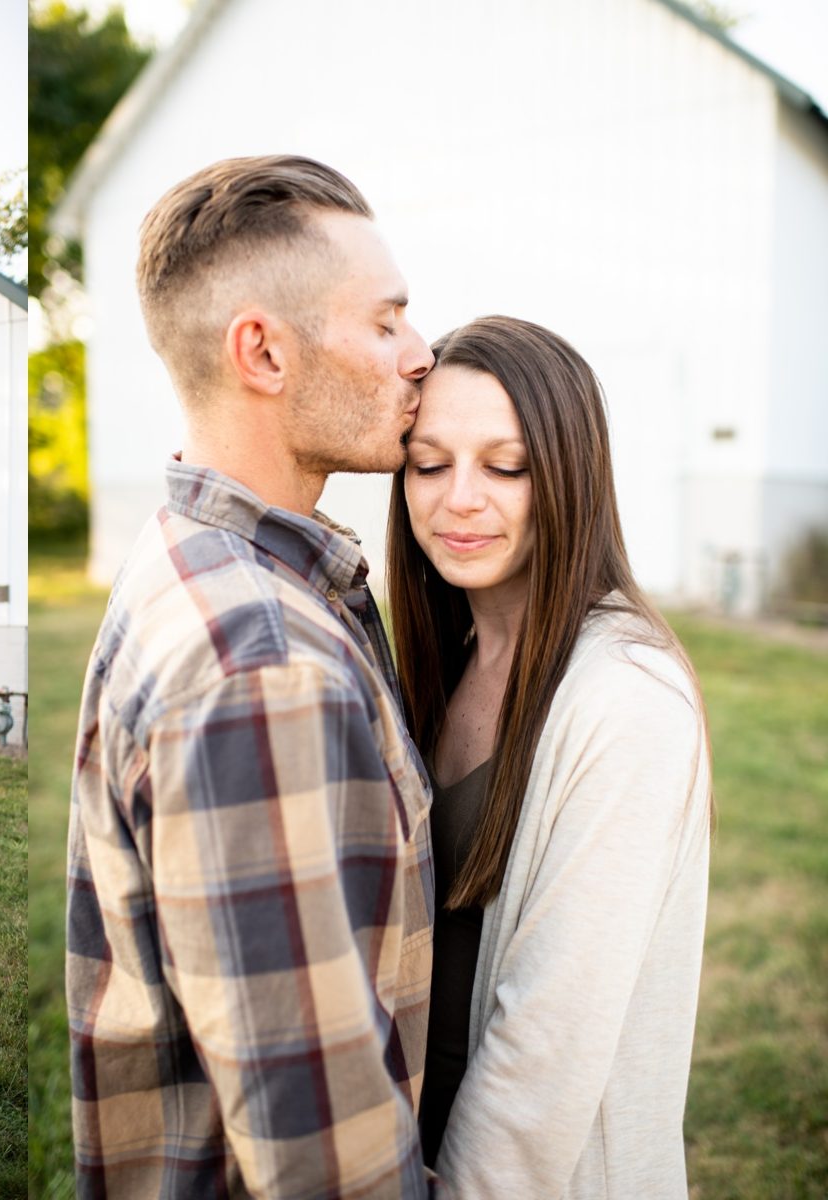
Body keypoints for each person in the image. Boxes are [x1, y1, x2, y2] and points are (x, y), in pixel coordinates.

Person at [66, 155, 439, 1198]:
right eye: (384, 322)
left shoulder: (194, 554)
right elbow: (324, 1156)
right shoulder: (258, 662)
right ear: (262, 351)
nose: (419, 354)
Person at [388, 315, 711, 1197]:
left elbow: (547, 1049)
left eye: (506, 466)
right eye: (429, 463)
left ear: (568, 476)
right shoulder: (441, 660)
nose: (459, 497)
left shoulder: (627, 697)